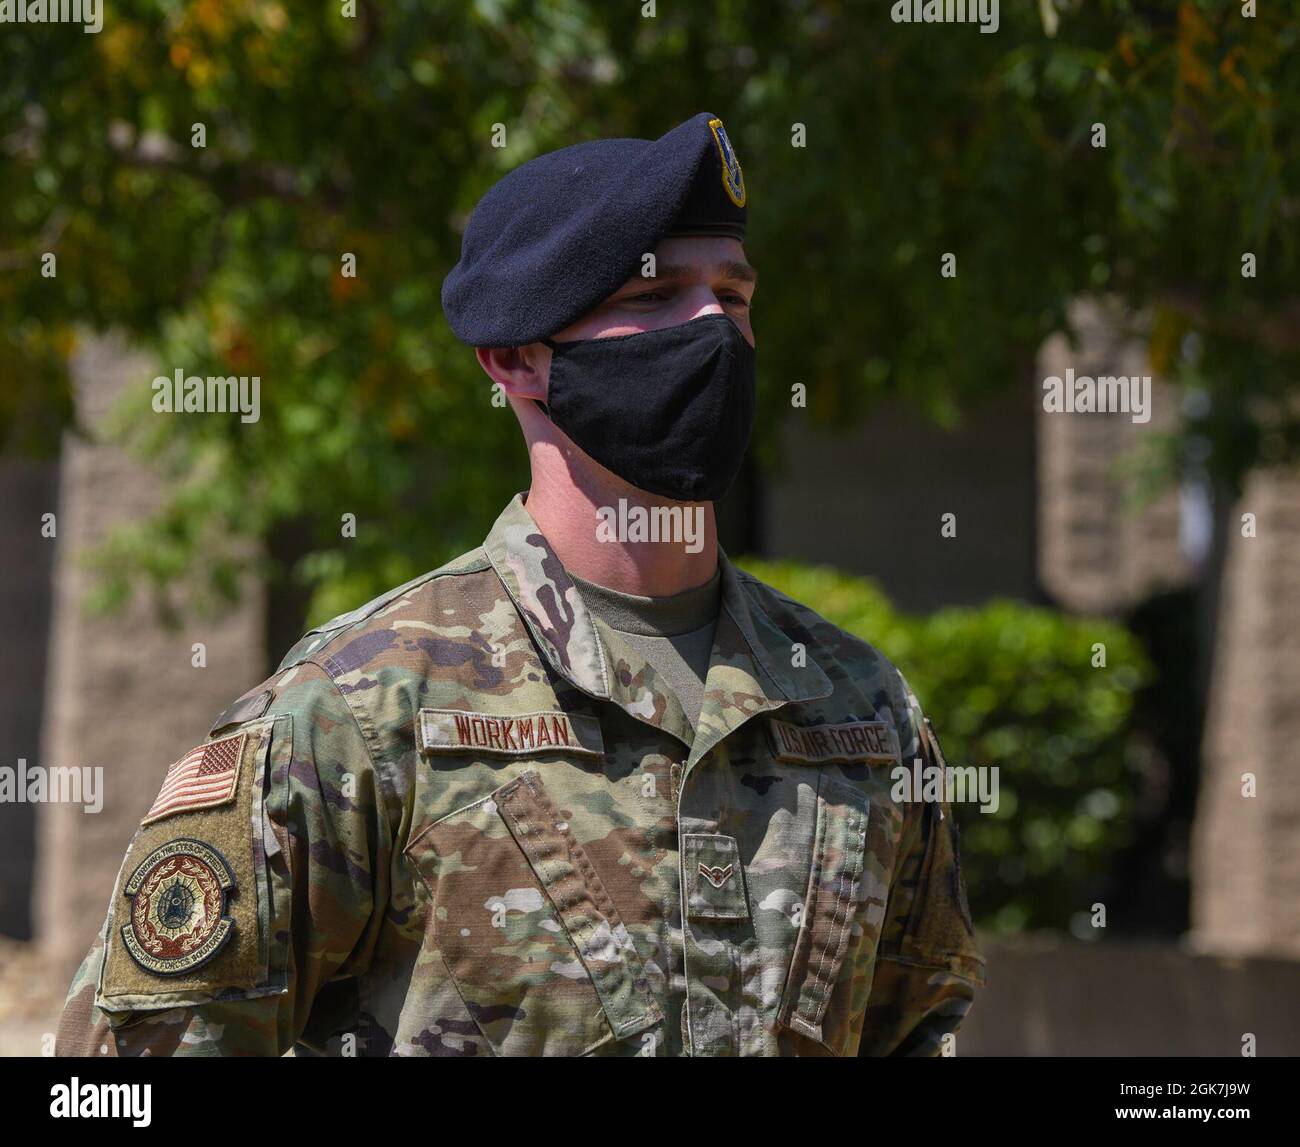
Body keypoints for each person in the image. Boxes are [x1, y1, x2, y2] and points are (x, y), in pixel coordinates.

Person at [56, 112, 984, 1057]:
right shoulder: (358, 713)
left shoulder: (858, 708)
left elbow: (922, 1029)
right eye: (658, 294)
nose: (714, 330)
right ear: (515, 358)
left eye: (734, 297)